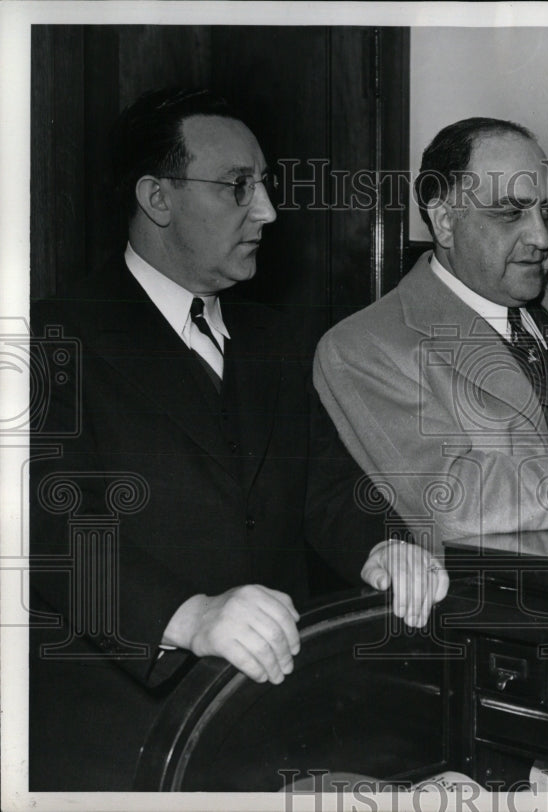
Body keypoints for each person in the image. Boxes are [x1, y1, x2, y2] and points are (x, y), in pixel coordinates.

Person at [29, 87, 447, 791]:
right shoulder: (53, 337)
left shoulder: (276, 339)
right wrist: (187, 616)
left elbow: (327, 488)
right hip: (118, 736)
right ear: (158, 199)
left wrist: (384, 544)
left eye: (266, 186)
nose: (269, 212)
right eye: (238, 188)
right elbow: (49, 528)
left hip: (276, 714)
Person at [313, 117, 548, 542]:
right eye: (511, 212)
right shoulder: (364, 347)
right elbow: (451, 497)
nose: (542, 237)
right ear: (444, 220)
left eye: (544, 211)